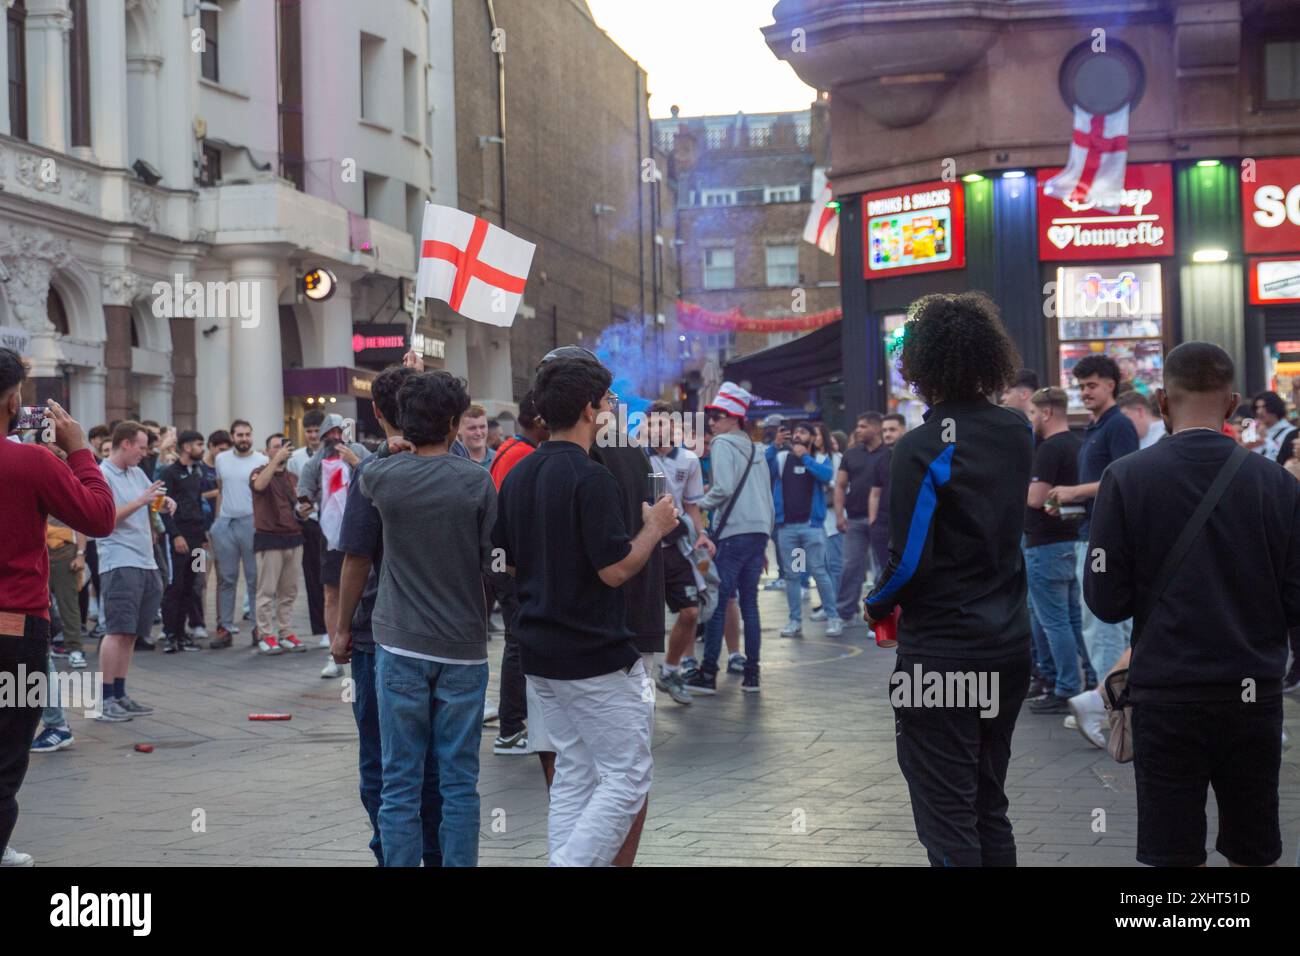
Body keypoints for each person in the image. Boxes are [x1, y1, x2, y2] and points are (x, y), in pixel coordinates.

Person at [1086, 342, 1298, 868]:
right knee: (1254, 847)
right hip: (1253, 691)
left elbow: (1105, 602)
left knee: (1172, 851)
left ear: (1161, 402)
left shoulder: (1127, 478)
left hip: (1166, 691)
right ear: (1232, 405)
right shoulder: (1277, 484)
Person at [864, 292, 1033, 867]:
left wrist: (874, 602)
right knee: (988, 803)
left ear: (919, 366)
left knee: (946, 815)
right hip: (1009, 645)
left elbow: (909, 560)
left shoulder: (921, 445)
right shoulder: (1016, 431)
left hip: (942, 656)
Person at [493, 354, 676, 866]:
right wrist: (655, 527)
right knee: (628, 774)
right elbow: (616, 569)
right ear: (588, 408)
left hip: (540, 650)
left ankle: (565, 857)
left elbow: (503, 562)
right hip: (591, 652)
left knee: (575, 768)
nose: (608, 412)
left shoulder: (520, 473)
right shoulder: (591, 476)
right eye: (604, 402)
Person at [357, 370, 495, 867]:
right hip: (463, 647)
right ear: (456, 425)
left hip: (399, 645)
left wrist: (388, 448)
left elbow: (366, 469)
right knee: (459, 782)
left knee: (400, 781)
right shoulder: (476, 482)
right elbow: (492, 561)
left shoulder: (382, 478)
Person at [1, 352, 115, 867]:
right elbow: (99, 516)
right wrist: (80, 451)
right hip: (15, 629)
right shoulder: (31, 461)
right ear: (12, 399)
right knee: (7, 752)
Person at [334, 363, 444, 866]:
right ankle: (435, 850)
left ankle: (391, 853)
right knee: (437, 759)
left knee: (381, 755)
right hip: (444, 632)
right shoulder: (460, 463)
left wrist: (339, 628)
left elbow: (356, 557)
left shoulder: (372, 472)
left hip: (379, 630)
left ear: (378, 412)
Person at [1046, 354, 1139, 748]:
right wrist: (1069, 503)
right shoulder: (1097, 427)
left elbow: (1123, 478)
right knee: (1105, 624)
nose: (1084, 392)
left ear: (1111, 386)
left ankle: (1107, 707)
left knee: (1101, 623)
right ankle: (1113, 703)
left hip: (1107, 537)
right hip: (1092, 531)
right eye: (1080, 385)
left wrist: (1074, 492)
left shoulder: (1117, 425)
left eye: (1091, 385)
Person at [691, 382, 775, 693]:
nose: (711, 421)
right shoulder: (757, 448)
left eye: (717, 415)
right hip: (756, 533)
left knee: (717, 600)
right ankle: (752, 675)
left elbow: (723, 488)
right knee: (749, 605)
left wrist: (694, 505)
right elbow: (766, 496)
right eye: (710, 415)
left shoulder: (723, 444)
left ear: (734, 417)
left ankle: (708, 673)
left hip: (732, 534)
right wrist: (764, 537)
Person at [96, 422, 176, 721]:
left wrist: (161, 502)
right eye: (141, 447)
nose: (145, 453)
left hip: (145, 559)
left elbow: (148, 501)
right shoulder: (102, 475)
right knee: (116, 630)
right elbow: (106, 518)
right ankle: (104, 699)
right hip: (119, 560)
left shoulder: (136, 472)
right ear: (126, 443)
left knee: (131, 633)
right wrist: (141, 501)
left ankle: (120, 693)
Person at [486, 391, 549, 754]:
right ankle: (511, 726)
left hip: (500, 558)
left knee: (515, 638)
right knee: (517, 640)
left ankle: (514, 721)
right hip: (508, 561)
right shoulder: (523, 454)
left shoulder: (510, 448)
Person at [1023, 388, 1092, 715]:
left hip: (1045, 543)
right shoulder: (1077, 445)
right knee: (1073, 619)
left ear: (1046, 413)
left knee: (1054, 622)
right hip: (1070, 539)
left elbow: (1036, 499)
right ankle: (1089, 678)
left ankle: (1065, 687)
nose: (1032, 420)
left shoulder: (1050, 449)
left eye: (1034, 414)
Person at [648, 400, 713, 705]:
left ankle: (671, 669)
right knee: (642, 620)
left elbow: (691, 504)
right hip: (642, 547)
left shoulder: (689, 460)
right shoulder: (635, 458)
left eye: (663, 423)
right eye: (652, 423)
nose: (657, 428)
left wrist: (701, 534)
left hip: (674, 546)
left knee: (690, 611)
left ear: (673, 427)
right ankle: (638, 685)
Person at [296, 413, 369, 677]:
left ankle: (365, 648)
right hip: (330, 537)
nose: (335, 437)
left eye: (339, 431)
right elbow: (304, 497)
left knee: (365, 591)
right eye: (330, 433)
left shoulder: (359, 451)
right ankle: (333, 653)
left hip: (363, 532)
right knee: (332, 594)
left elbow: (377, 479)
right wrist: (303, 507)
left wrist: (356, 462)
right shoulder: (314, 463)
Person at [769, 422, 843, 638]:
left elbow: (825, 475)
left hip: (811, 528)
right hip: (789, 530)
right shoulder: (782, 458)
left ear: (812, 438)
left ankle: (833, 617)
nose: (798, 436)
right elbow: (764, 466)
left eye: (803, 432)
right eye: (796, 432)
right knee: (793, 574)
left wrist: (805, 458)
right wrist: (774, 446)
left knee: (820, 572)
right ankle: (795, 621)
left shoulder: (819, 459)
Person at [210, 421, 267, 648]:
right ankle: (224, 628)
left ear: (252, 436)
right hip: (225, 523)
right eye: (239, 434)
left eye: (247, 434)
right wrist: (216, 523)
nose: (243, 438)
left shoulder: (261, 461)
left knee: (254, 578)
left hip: (252, 523)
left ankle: (257, 628)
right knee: (226, 578)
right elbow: (221, 490)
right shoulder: (221, 459)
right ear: (233, 437)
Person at [249, 434, 306, 655]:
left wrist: (305, 511)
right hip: (269, 539)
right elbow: (259, 486)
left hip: (294, 537)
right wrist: (274, 462)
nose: (281, 450)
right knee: (266, 591)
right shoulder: (258, 472)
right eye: (276, 447)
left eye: (284, 446)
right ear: (267, 451)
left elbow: (300, 504)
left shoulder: (292, 477)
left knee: (289, 591)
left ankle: (285, 631)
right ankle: (265, 634)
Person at [159, 430, 210, 653]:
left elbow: (198, 503)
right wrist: (175, 535)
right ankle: (171, 634)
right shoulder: (169, 473)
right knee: (175, 586)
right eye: (200, 444)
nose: (203, 448)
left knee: (192, 585)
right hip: (178, 539)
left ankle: (183, 633)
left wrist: (204, 536)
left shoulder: (197, 472)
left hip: (197, 540)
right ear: (187, 447)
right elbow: (160, 508)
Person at [835, 413, 888, 623]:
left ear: (876, 429)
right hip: (855, 519)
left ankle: (877, 613)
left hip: (883, 521)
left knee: (882, 570)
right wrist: (840, 515)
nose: (857, 430)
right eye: (857, 426)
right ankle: (845, 612)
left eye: (862, 426)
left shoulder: (889, 454)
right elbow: (839, 485)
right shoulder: (851, 454)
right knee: (851, 567)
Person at [288, 409, 329, 643]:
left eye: (316, 431)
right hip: (310, 522)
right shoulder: (297, 458)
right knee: (313, 577)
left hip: (333, 521)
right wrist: (299, 509)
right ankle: (322, 628)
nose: (313, 435)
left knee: (336, 577)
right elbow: (294, 490)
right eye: (309, 431)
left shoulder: (335, 454)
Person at [1251, 390, 1297, 464]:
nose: (1259, 412)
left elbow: (1278, 458)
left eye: (1264, 407)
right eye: (1257, 408)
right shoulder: (1257, 431)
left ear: (1275, 407)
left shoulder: (1291, 433)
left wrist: (1265, 439)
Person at [458, 404, 495, 468]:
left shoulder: (499, 459)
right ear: (459, 430)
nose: (478, 433)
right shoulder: (452, 462)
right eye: (472, 428)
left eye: (482, 427)